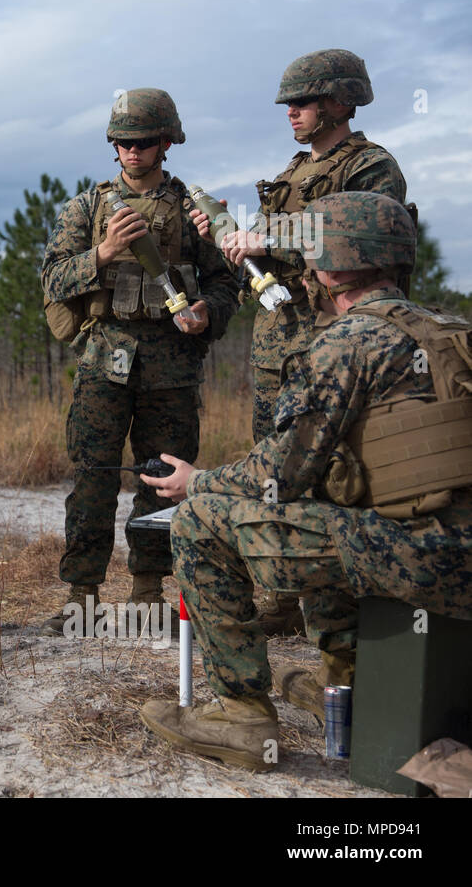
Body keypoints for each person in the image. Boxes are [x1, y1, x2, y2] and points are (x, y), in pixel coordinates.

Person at [140, 191, 472, 772]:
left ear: (335, 266)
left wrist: (199, 482)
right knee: (332, 509)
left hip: (432, 560)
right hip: (452, 552)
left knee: (199, 521)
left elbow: (278, 475)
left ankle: (241, 717)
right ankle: (353, 688)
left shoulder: (349, 342)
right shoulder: (451, 329)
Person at [192, 49, 408, 637]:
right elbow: (268, 256)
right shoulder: (291, 174)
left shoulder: (371, 168)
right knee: (275, 470)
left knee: (337, 472)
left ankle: (342, 618)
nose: (292, 111)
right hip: (277, 344)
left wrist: (260, 233)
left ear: (341, 101)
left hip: (338, 340)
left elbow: (349, 234)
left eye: (305, 101)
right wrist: (229, 244)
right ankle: (285, 597)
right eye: (289, 102)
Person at [39, 89, 239, 636]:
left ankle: (149, 593)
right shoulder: (86, 208)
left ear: (167, 142)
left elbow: (228, 285)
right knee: (93, 478)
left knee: (162, 482)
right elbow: (52, 279)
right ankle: (82, 595)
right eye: (122, 141)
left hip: (171, 368)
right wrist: (101, 252)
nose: (131, 151)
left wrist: (206, 312)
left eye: (143, 141)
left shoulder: (195, 212)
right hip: (104, 363)